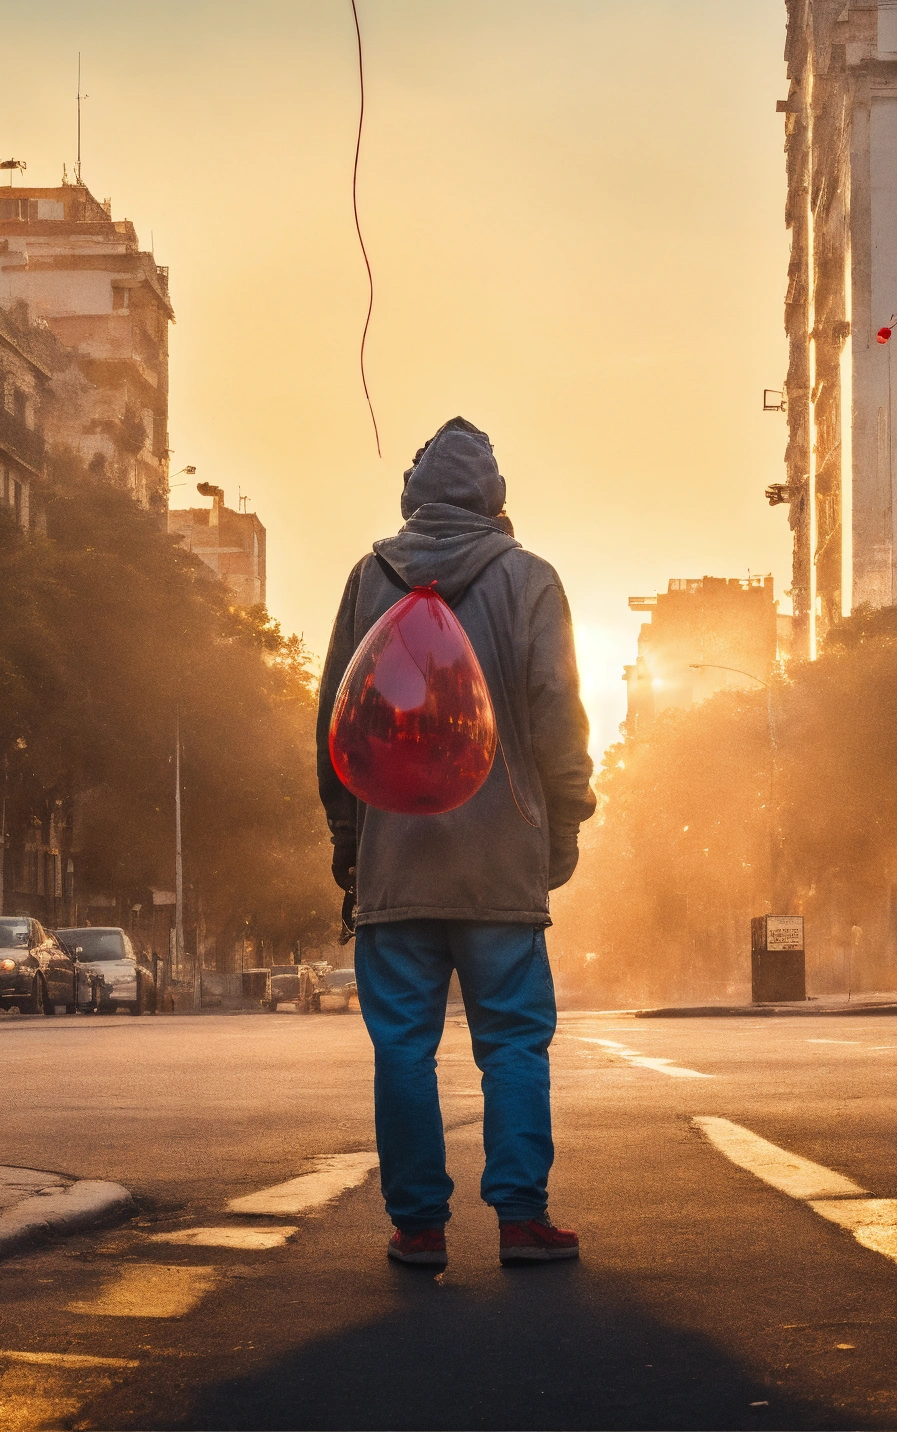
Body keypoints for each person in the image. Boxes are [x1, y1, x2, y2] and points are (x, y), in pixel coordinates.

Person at [316, 417, 594, 1270]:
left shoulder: (368, 579)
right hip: (500, 860)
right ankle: (521, 1217)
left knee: (403, 1048)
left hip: (394, 862)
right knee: (512, 1042)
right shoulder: (531, 579)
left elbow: (335, 721)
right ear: (493, 498)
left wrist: (350, 841)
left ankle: (419, 1226)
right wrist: (565, 819)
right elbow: (557, 713)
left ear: (412, 497)